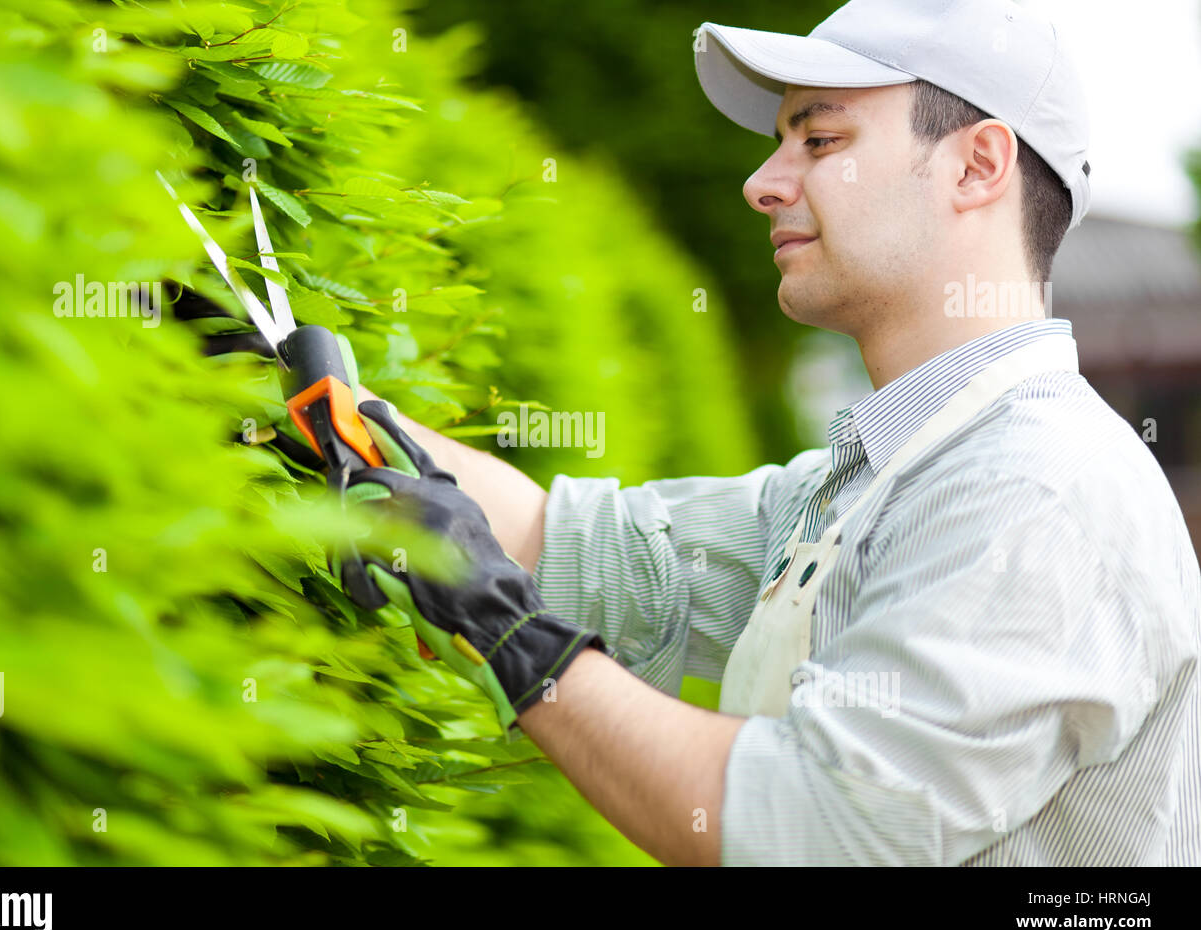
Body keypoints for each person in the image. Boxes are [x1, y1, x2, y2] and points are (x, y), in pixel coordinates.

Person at [344, 0, 1201, 866]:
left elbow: (810, 821)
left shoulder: (1035, 490)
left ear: (977, 166)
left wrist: (511, 641)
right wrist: (324, 406)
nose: (763, 182)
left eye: (819, 141)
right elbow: (585, 548)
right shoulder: (879, 478)